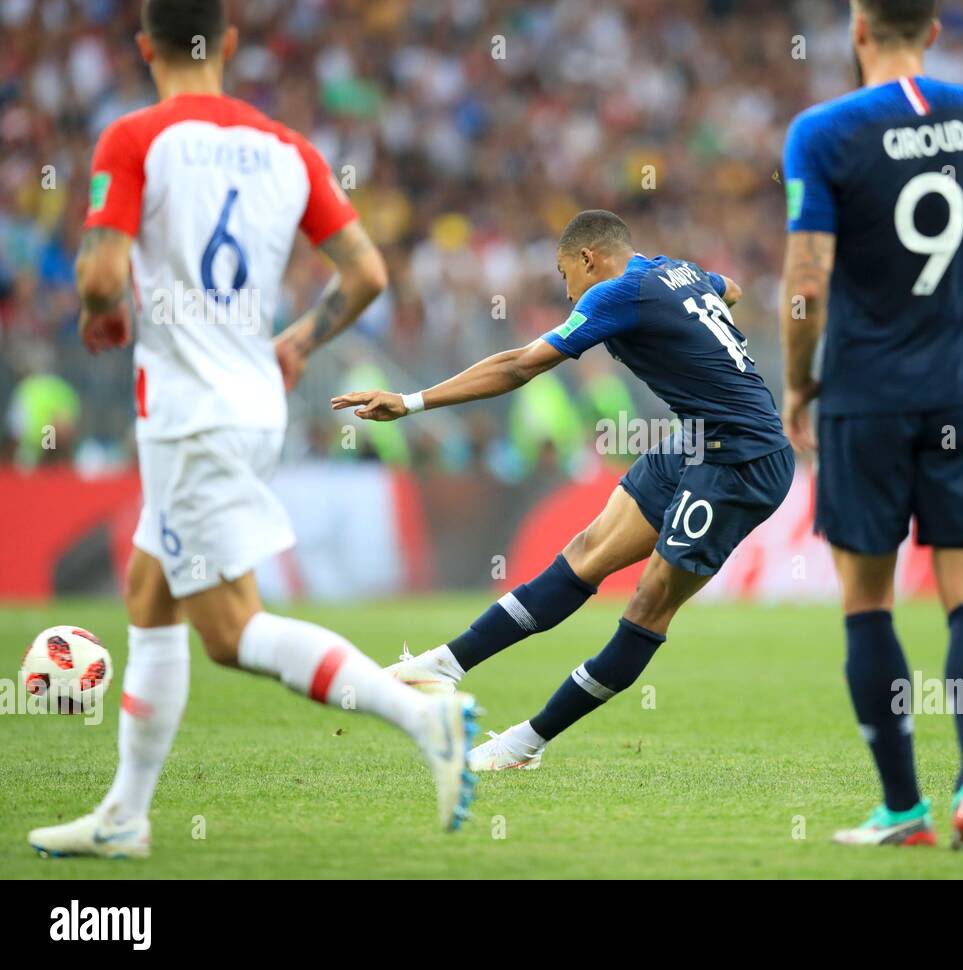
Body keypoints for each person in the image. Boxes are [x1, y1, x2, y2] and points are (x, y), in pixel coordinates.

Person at [28, 0, 477, 860]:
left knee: (230, 632)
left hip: (192, 416)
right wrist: (301, 339)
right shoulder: (288, 149)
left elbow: (101, 270)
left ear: (143, 47)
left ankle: (424, 715)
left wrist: (97, 311)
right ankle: (125, 814)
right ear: (229, 45)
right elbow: (366, 271)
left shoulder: (133, 138)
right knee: (148, 593)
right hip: (250, 401)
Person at [332, 209, 794, 771]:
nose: (566, 288)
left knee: (648, 605)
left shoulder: (614, 294)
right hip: (694, 438)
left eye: (563, 273)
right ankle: (443, 665)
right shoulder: (678, 271)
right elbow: (733, 288)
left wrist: (412, 402)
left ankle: (527, 742)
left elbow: (518, 367)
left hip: (743, 460)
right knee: (584, 555)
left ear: (587, 260)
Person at [779, 0, 963, 848]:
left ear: (857, 31)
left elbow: (806, 281)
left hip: (864, 395)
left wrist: (800, 381)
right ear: (933, 31)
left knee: (868, 601)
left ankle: (903, 810)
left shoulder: (821, 132)